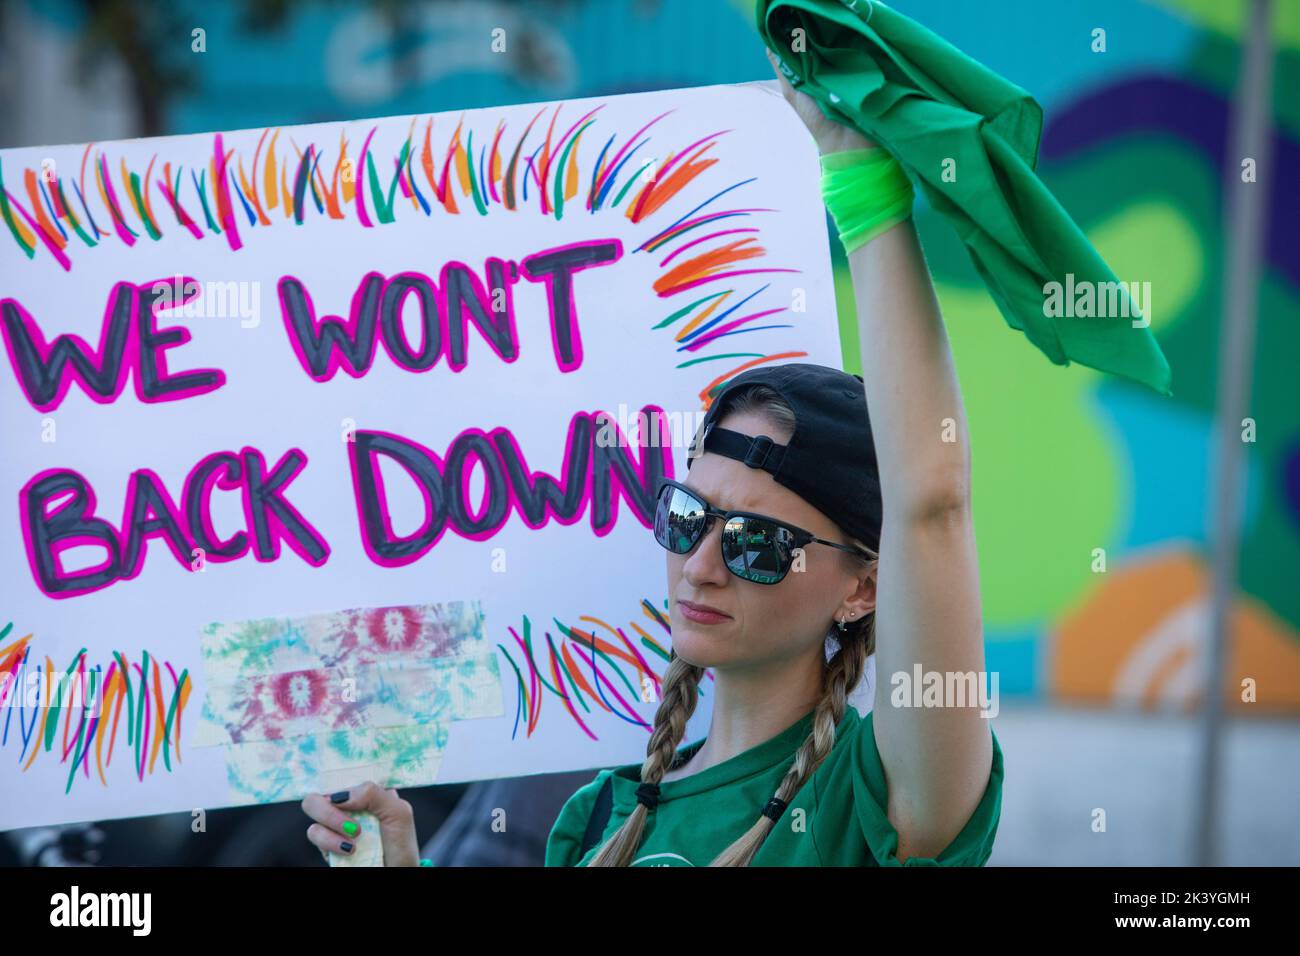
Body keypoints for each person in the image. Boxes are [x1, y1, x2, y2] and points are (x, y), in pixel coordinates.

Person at [301, 45, 1003, 867]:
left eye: (755, 543)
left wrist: (860, 180)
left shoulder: (878, 794)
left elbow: (931, 504)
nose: (700, 566)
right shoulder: (592, 815)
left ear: (863, 588)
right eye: (687, 518)